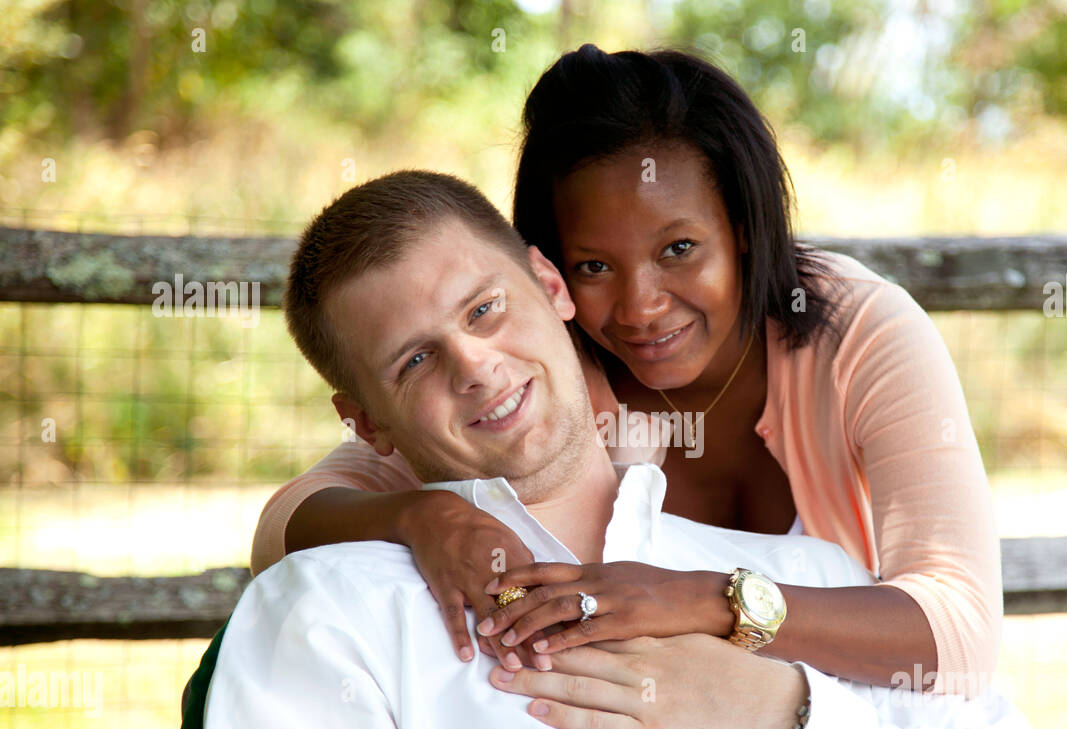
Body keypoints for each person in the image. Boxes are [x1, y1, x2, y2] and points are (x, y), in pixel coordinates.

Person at [179, 169, 1067, 729]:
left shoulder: (804, 579)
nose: (476, 366)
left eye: (487, 309)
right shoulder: (345, 609)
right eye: (415, 360)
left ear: (549, 287)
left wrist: (791, 715)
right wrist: (418, 519)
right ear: (367, 421)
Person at [246, 45, 1002, 696]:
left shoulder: (857, 332)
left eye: (679, 249)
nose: (640, 308)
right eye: (594, 265)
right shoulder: (546, 369)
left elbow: (961, 634)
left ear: (744, 229)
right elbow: (286, 525)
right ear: (548, 275)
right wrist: (418, 516)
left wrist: (709, 602)